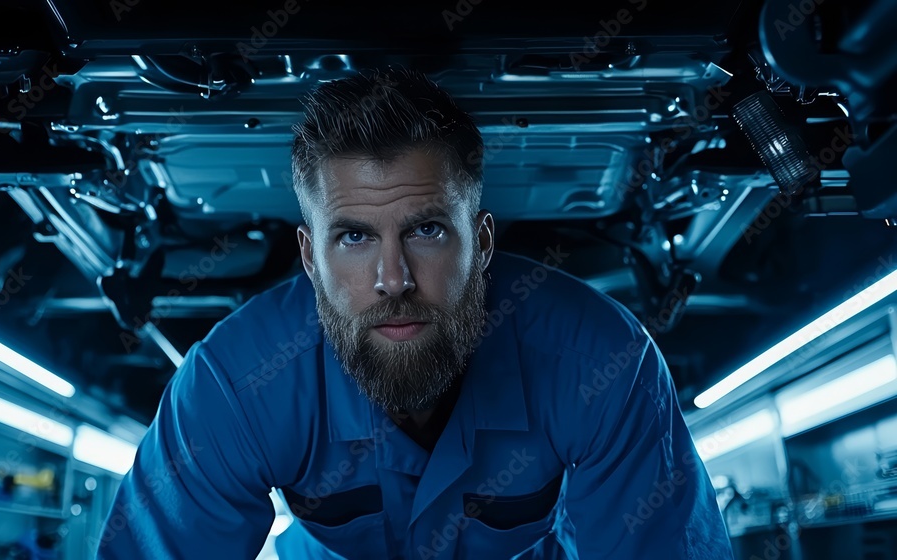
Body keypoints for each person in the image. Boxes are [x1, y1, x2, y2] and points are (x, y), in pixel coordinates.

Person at [96, 67, 734, 559]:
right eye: (353, 238)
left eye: (427, 230)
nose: (393, 280)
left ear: (481, 243)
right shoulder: (233, 385)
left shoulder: (602, 362)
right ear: (309, 258)